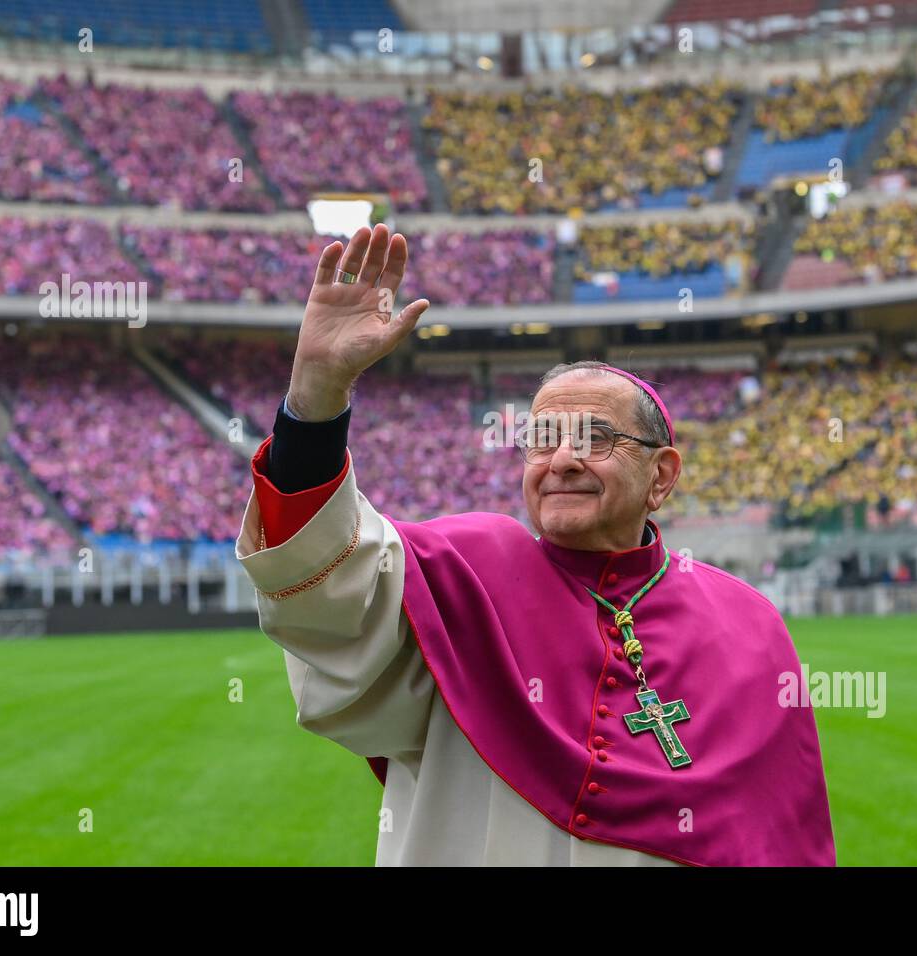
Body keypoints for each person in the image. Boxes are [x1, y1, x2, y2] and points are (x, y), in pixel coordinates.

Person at [234, 224, 835, 867]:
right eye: (543, 438)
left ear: (661, 475)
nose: (563, 459)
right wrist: (317, 398)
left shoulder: (748, 626)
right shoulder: (460, 573)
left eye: (595, 438)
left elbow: (777, 834)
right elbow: (328, 582)